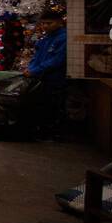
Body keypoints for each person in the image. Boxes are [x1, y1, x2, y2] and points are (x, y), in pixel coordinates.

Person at [24, 8, 68, 138]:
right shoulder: (46, 38)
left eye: (49, 23)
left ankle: (54, 134)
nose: (45, 26)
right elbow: (37, 56)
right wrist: (30, 68)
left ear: (60, 22)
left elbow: (57, 60)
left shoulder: (63, 38)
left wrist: (35, 70)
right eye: (43, 23)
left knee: (54, 106)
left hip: (55, 79)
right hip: (41, 78)